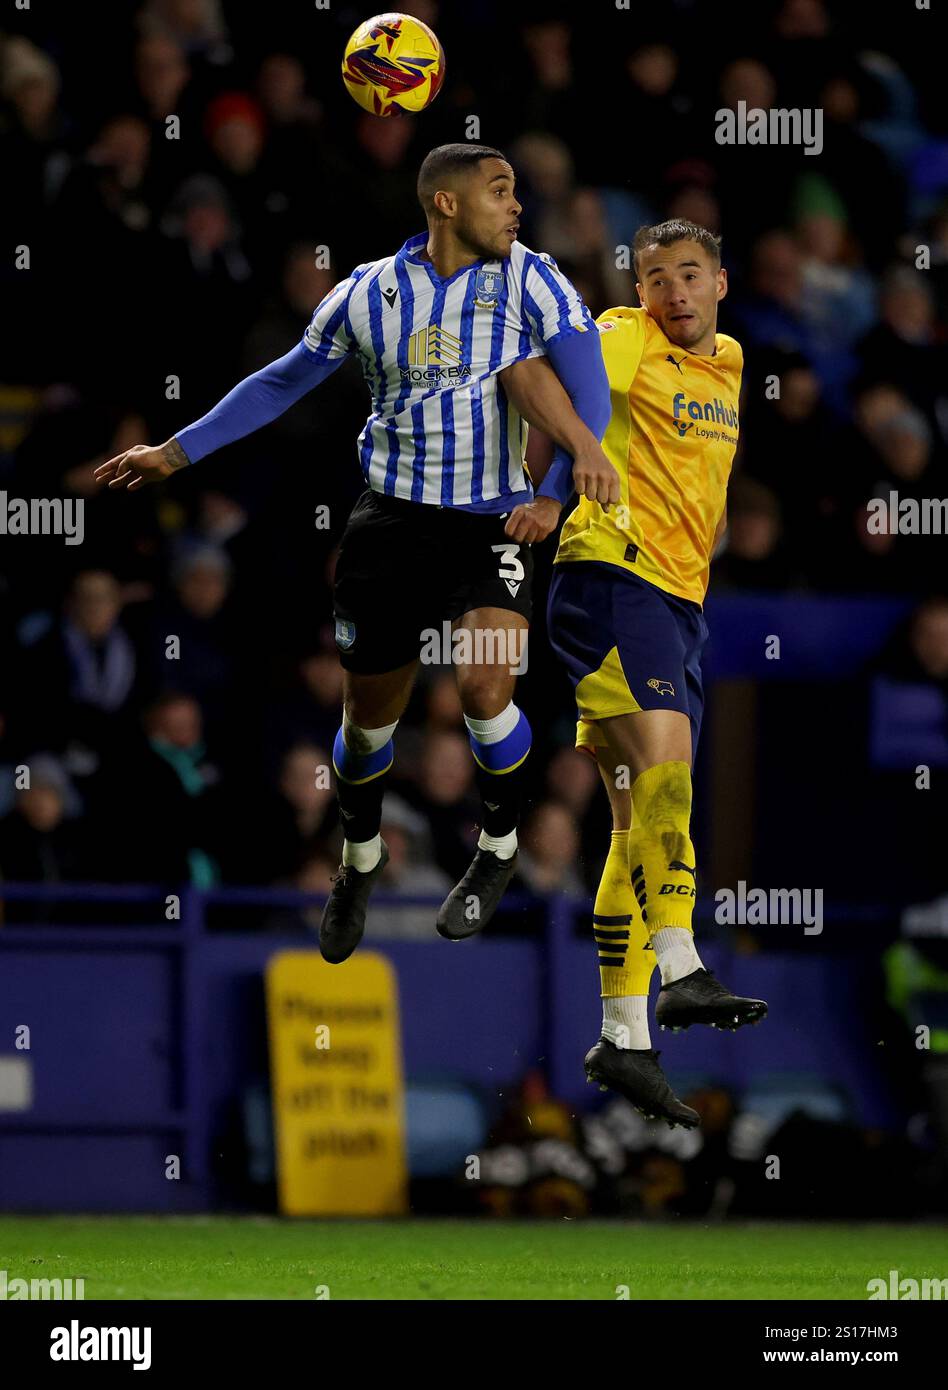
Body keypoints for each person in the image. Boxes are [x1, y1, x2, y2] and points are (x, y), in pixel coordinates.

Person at [94, 142, 617, 961]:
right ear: (445, 204)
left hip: (495, 523)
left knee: (485, 686)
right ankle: (359, 859)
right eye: (500, 190)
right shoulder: (368, 292)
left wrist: (557, 493)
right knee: (369, 723)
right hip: (392, 525)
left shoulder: (534, 277)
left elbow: (585, 383)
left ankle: (500, 845)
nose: (517, 207)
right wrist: (179, 449)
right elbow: (279, 381)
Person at [501, 219, 768, 1129]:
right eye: (656, 278)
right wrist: (548, 483)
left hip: (678, 601)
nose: (673, 294)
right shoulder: (621, 334)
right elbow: (528, 373)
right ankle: (683, 966)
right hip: (612, 578)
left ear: (721, 282)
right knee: (669, 772)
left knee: (629, 815)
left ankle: (623, 1035)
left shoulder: (729, 362)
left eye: (689, 276)